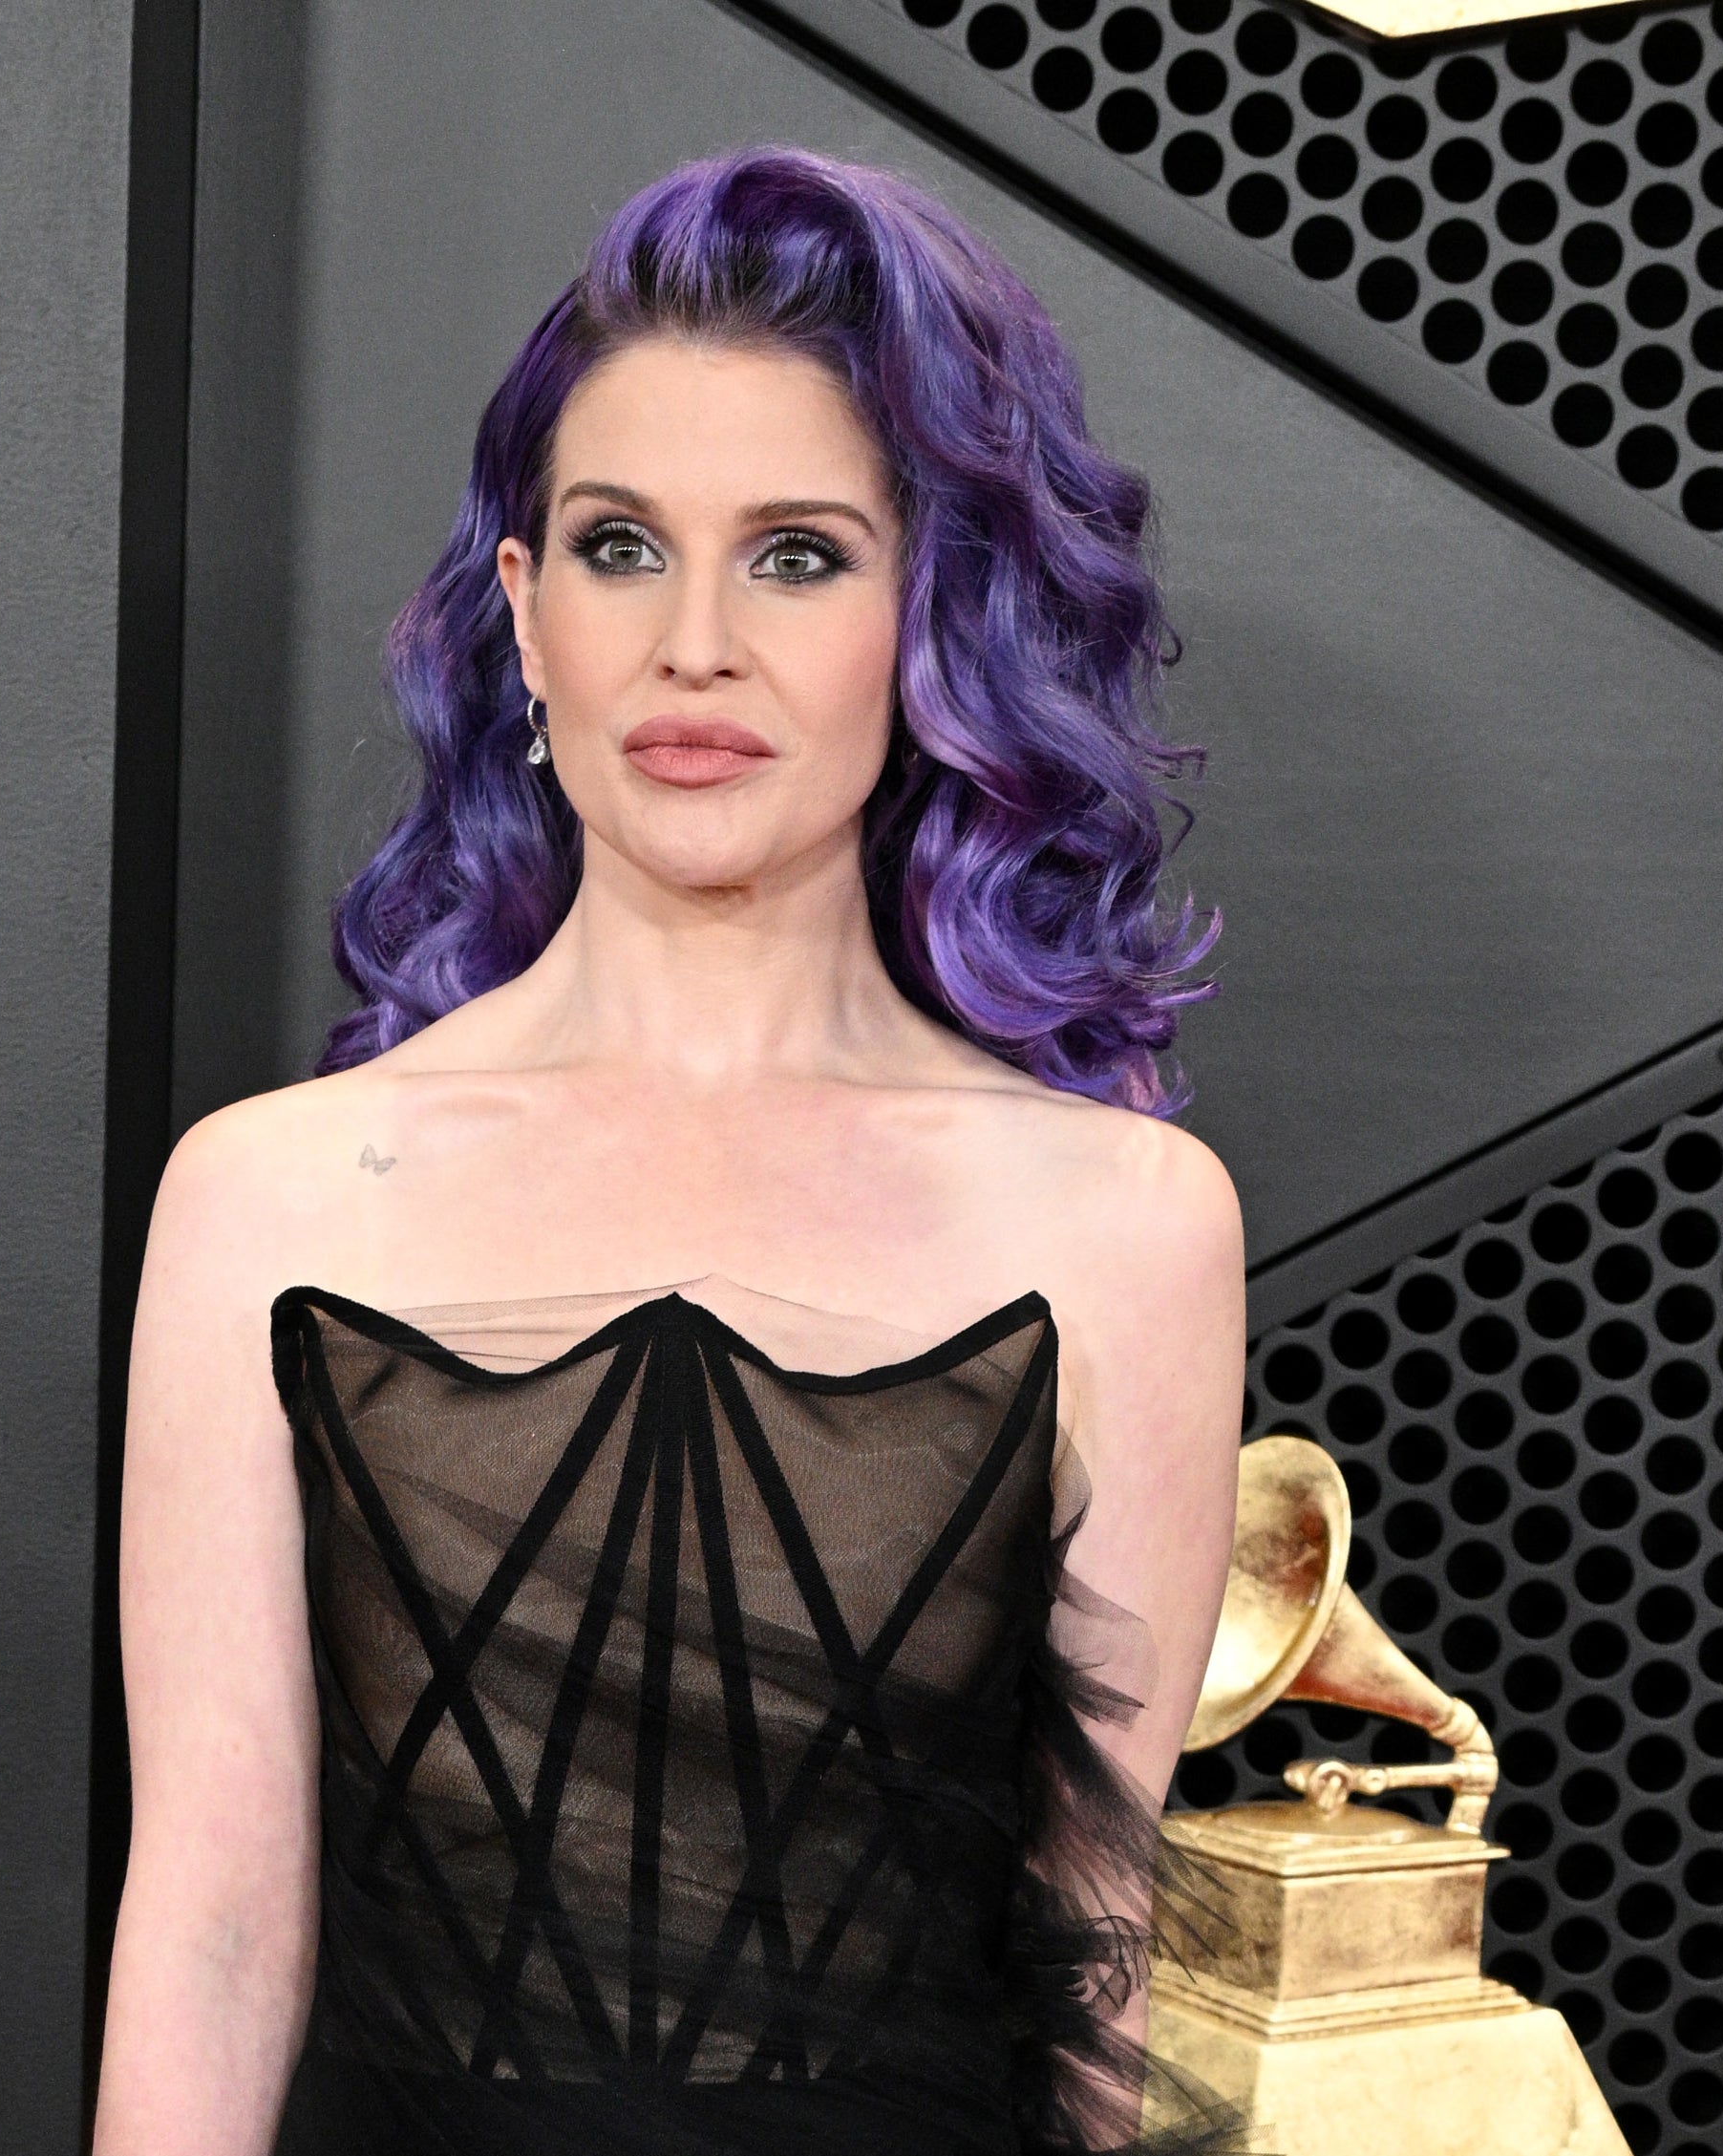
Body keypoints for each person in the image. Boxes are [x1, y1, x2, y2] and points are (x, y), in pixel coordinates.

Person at [93, 145, 1245, 2156]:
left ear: (931, 614)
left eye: (795, 553)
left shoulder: (1126, 1224)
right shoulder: (268, 1195)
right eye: (621, 546)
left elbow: (1091, 1954)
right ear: (523, 618)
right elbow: (208, 1922)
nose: (694, 641)